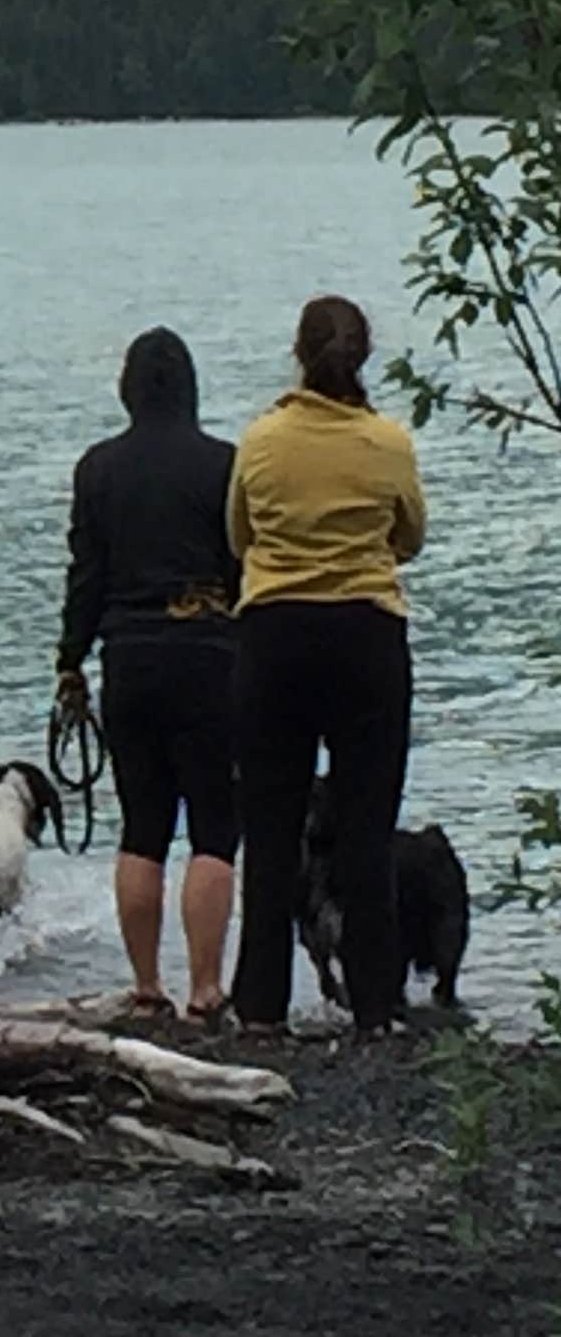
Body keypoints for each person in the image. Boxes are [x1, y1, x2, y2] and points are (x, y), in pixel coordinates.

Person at [227, 293, 427, 1036]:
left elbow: (239, 536)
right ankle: (376, 1009)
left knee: (271, 831)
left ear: (298, 354)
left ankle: (260, 1009)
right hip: (366, 638)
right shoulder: (389, 442)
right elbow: (410, 535)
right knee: (367, 830)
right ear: (365, 357)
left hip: (273, 639)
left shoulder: (261, 440)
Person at [57, 326, 241, 1020]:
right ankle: (204, 988)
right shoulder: (224, 464)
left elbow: (86, 576)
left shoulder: (97, 468)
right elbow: (241, 567)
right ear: (191, 390)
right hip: (211, 656)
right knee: (215, 828)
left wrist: (69, 659)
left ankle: (145, 985)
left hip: (128, 659)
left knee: (143, 826)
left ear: (127, 390)